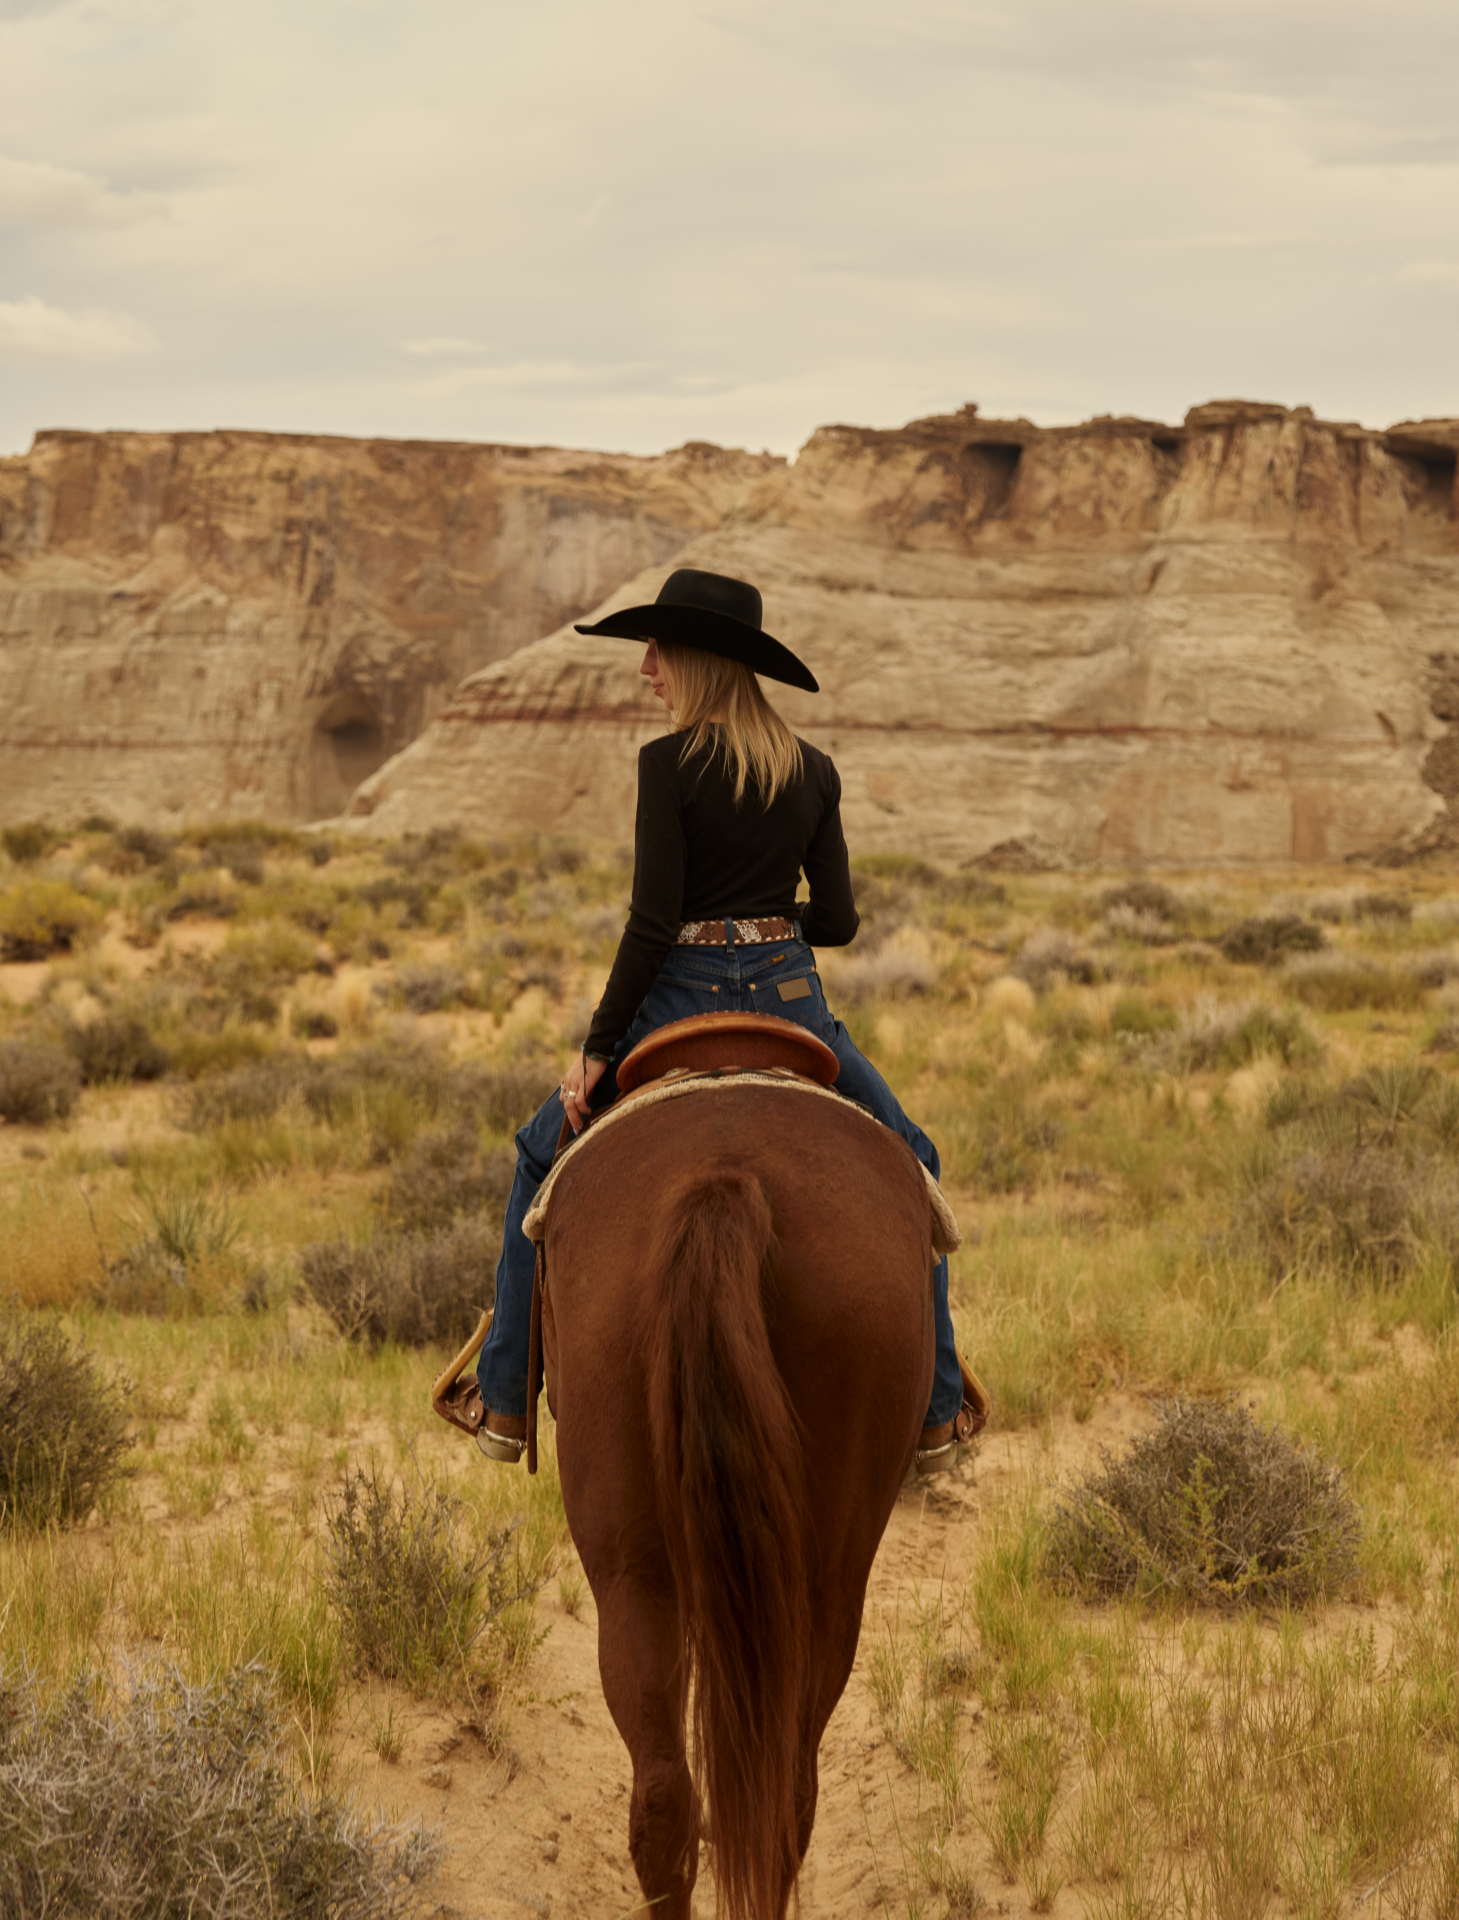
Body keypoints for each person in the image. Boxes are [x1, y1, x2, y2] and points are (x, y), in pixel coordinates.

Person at [475, 568, 980, 1471]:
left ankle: (505, 1398)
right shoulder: (811, 771)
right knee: (914, 1163)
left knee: (536, 1154)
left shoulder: (665, 766)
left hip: (675, 996)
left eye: (657, 649)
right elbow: (841, 924)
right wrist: (776, 923)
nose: (645, 669)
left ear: (694, 658)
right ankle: (938, 1413)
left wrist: (598, 1050)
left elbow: (650, 922)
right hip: (790, 998)